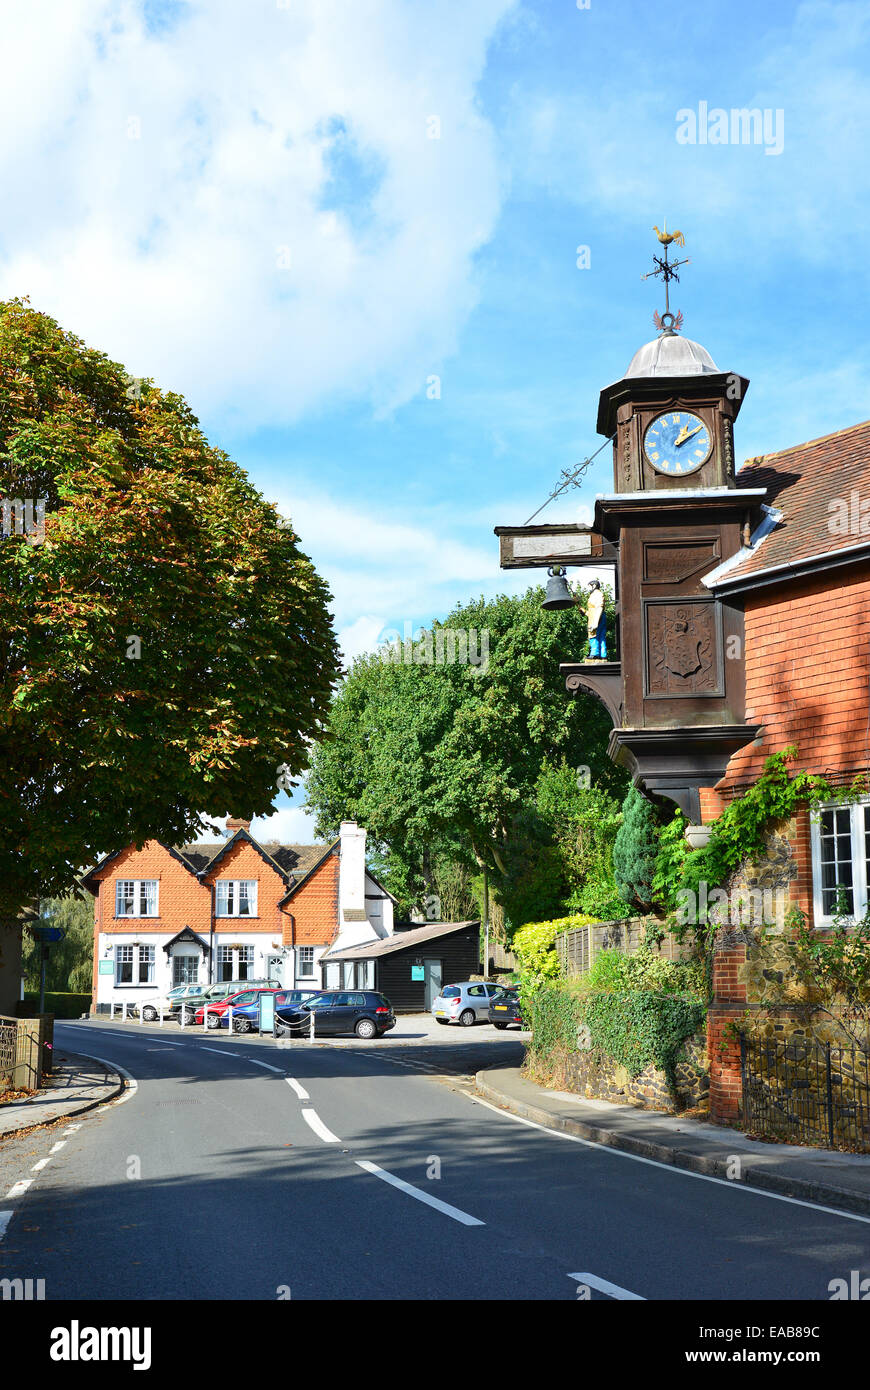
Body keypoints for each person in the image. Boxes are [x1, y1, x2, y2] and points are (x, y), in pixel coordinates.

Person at [585, 580, 607, 660]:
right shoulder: (594, 594)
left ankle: (595, 653)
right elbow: (591, 611)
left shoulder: (597, 594)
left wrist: (595, 623)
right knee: (601, 636)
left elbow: (599, 608)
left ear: (594, 585)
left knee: (593, 635)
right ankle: (603, 654)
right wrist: (584, 611)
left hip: (597, 617)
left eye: (590, 586)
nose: (589, 589)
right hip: (596, 616)